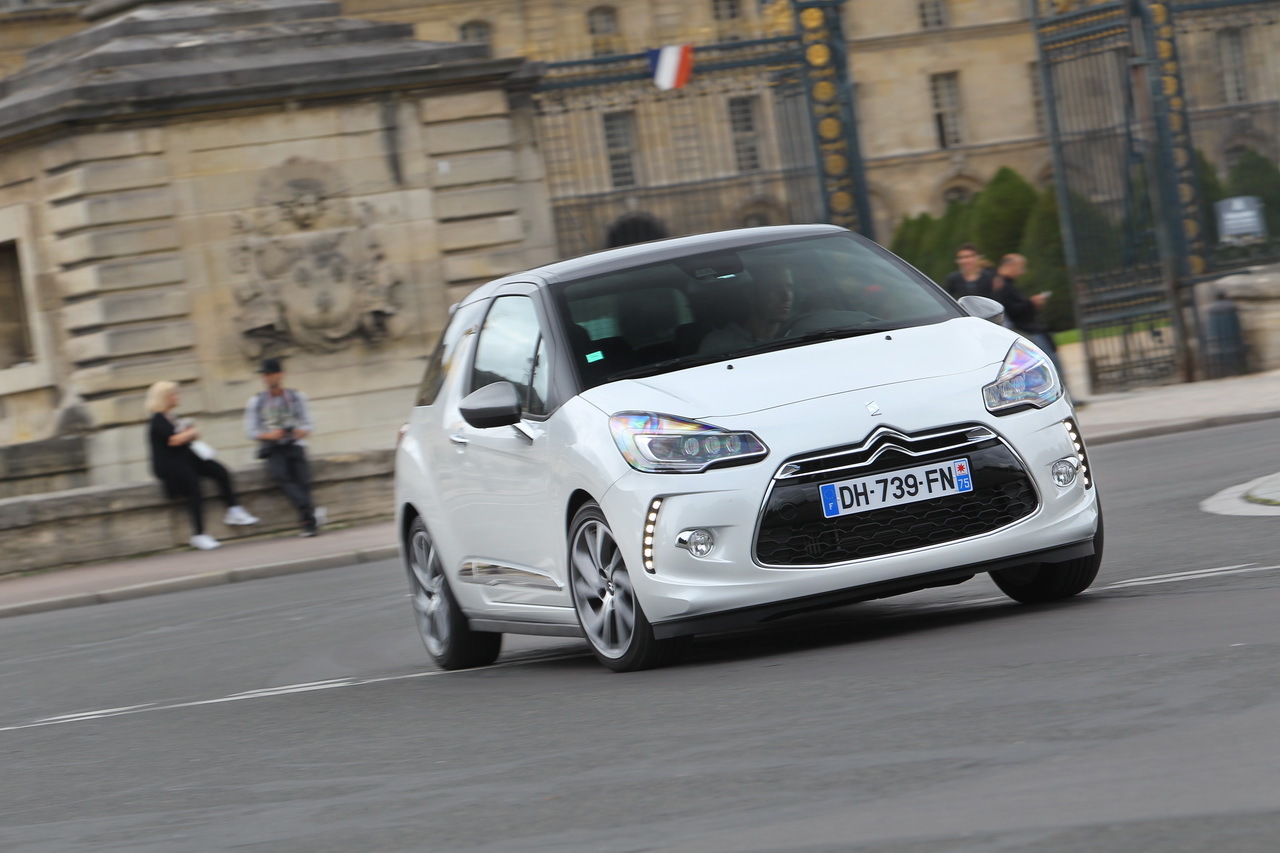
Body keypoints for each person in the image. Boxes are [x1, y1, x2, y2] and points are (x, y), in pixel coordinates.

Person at [146, 380, 259, 551]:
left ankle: (233, 510)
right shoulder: (157, 419)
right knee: (194, 488)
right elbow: (173, 440)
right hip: (170, 465)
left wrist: (188, 433)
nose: (177, 397)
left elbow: (181, 438)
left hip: (184, 458)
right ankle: (199, 535)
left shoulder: (172, 416)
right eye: (174, 394)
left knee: (220, 471)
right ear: (164, 397)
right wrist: (191, 432)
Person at [244, 358, 324, 537]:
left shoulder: (297, 397)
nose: (267, 378)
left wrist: (300, 432)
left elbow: (309, 424)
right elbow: (250, 431)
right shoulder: (256, 402)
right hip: (273, 448)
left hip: (294, 444)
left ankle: (308, 524)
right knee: (281, 476)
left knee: (303, 482)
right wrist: (268, 435)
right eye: (265, 375)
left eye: (270, 374)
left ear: (280, 375)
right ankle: (310, 511)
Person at [991, 253, 1081, 404]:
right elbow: (1011, 310)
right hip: (1028, 331)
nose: (1022, 271)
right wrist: (1031, 303)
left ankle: (1064, 397)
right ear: (1010, 266)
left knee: (1051, 364)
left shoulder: (1006, 284)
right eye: (1020, 267)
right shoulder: (1002, 286)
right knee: (1049, 365)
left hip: (1031, 329)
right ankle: (1062, 399)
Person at [698, 265, 795, 354]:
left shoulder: (798, 334)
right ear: (751, 295)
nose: (786, 296)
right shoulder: (719, 345)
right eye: (775, 288)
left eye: (789, 288)